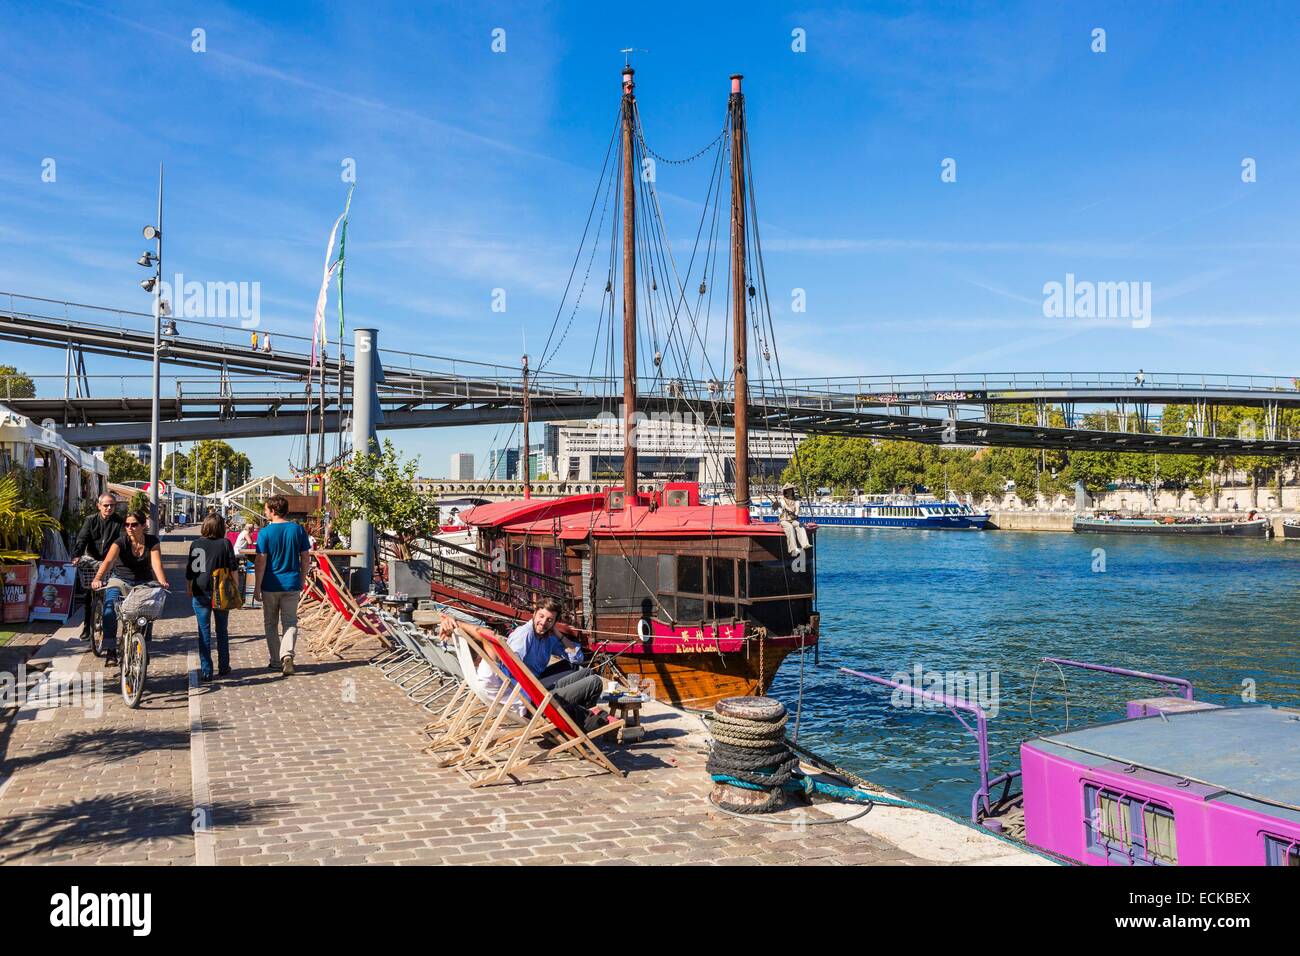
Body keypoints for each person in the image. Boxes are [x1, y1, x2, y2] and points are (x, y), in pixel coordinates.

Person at [477, 599, 605, 731]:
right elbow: (512, 668)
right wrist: (535, 692)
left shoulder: (548, 637)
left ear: (555, 622)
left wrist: (557, 633)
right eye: (541, 616)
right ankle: (577, 723)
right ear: (534, 614)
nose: (543, 623)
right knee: (594, 682)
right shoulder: (525, 634)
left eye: (549, 620)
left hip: (536, 683)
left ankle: (575, 717)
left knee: (585, 671)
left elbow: (577, 658)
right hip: (530, 692)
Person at [90, 508, 170, 662]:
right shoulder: (120, 542)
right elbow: (108, 561)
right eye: (126, 525)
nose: (129, 528)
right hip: (120, 580)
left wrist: (162, 581)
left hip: (143, 582)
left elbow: (156, 562)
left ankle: (143, 646)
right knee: (109, 610)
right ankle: (111, 649)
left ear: (143, 525)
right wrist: (98, 578)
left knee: (148, 611)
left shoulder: (152, 541)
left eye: (133, 525)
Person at [253, 495, 312, 675]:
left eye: (266, 509)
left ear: (272, 511)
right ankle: (287, 654)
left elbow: (261, 561)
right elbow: (305, 557)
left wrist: (257, 586)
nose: (265, 512)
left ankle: (275, 661)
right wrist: (302, 578)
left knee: (270, 623)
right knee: (290, 622)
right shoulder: (298, 530)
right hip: (292, 582)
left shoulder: (265, 533)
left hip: (271, 583)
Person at [187, 513, 236, 681]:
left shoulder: (196, 544)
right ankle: (224, 666)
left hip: (200, 591)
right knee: (222, 630)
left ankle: (207, 670)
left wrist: (189, 588)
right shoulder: (225, 544)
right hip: (221, 592)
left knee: (204, 631)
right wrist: (234, 589)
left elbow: (192, 570)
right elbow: (232, 569)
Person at [72, 493, 123, 640]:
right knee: (89, 596)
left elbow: (122, 540)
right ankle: (87, 627)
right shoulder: (90, 520)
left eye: (112, 505)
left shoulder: (119, 522)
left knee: (113, 595)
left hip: (110, 561)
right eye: (105, 505)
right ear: (99, 506)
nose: (108, 508)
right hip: (93, 560)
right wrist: (77, 555)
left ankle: (110, 630)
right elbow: (82, 539)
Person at [233, 519, 260, 605]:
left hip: (236, 552)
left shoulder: (243, 532)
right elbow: (250, 542)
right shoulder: (246, 533)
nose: (253, 530)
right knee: (254, 558)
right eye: (252, 529)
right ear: (250, 529)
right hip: (238, 553)